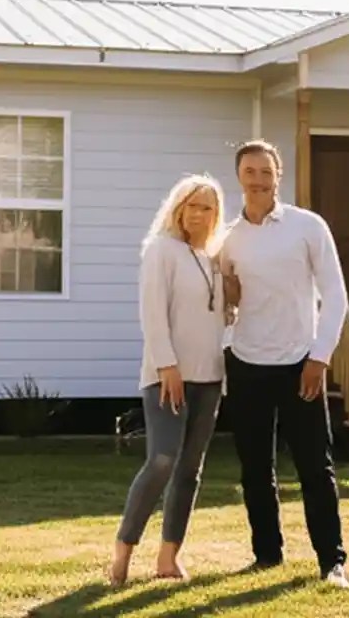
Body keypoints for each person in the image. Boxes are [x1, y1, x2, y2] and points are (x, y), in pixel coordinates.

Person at [219, 140, 349, 590]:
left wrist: (320, 356)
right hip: (246, 362)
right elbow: (226, 301)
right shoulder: (228, 237)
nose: (257, 180)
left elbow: (335, 295)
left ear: (278, 176)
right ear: (239, 177)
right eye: (249, 171)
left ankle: (332, 562)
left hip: (300, 363)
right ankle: (266, 555)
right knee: (255, 467)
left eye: (265, 172)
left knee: (315, 467)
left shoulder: (307, 226)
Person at [109, 173, 229, 587]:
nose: (198, 213)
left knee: (189, 469)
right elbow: (153, 313)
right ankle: (123, 550)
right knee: (162, 459)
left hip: (210, 377)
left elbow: (222, 315)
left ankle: (168, 558)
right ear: (178, 208)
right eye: (191, 204)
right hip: (168, 375)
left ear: (216, 215)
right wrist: (167, 367)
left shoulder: (215, 260)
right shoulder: (161, 250)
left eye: (207, 207)